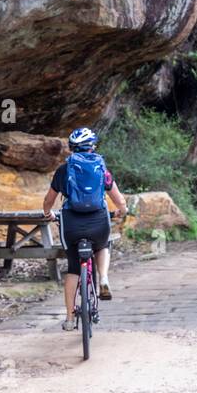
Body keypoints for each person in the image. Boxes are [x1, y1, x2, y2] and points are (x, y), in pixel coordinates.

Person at [42, 127, 129, 330]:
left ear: (72, 148)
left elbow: (48, 200)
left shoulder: (64, 170)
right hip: (98, 221)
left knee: (73, 268)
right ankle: (104, 278)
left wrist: (48, 214)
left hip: (71, 223)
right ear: (92, 147)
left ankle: (70, 318)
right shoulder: (101, 169)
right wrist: (121, 212)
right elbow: (119, 200)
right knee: (102, 244)